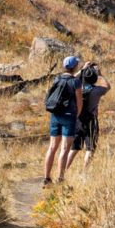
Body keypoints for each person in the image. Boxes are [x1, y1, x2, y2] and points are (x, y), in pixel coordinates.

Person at [43, 55, 84, 187]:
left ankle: (46, 178)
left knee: (52, 147)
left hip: (55, 115)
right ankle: (60, 178)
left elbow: (68, 78)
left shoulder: (57, 78)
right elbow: (79, 102)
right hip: (69, 116)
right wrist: (76, 115)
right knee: (65, 149)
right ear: (74, 67)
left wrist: (82, 70)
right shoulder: (76, 82)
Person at [67, 62, 112, 173]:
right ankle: (84, 172)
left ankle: (64, 171)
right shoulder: (97, 91)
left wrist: (82, 69)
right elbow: (108, 86)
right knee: (90, 148)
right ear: (94, 78)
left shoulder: (77, 89)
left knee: (74, 148)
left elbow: (69, 79)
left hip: (78, 120)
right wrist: (100, 74)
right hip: (91, 121)